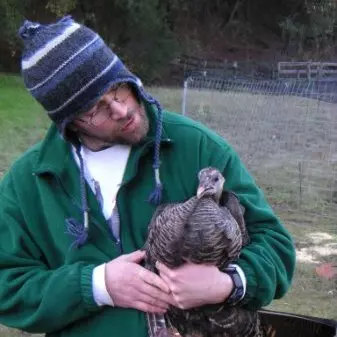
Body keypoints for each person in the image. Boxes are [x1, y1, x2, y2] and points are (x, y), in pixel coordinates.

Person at [0, 16, 295, 337]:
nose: (121, 110)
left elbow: (275, 246)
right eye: (95, 109)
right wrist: (97, 286)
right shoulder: (29, 181)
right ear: (70, 123)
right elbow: (6, 286)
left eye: (118, 88)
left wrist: (227, 282)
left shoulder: (196, 147)